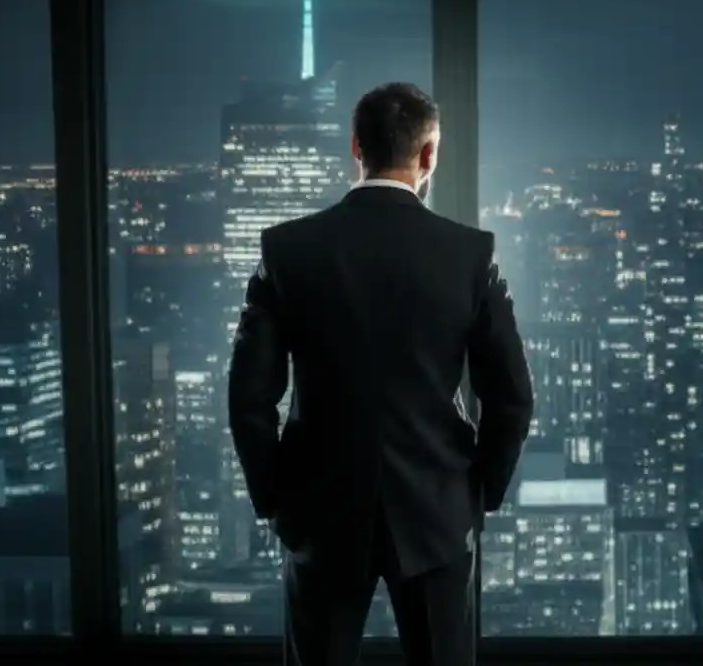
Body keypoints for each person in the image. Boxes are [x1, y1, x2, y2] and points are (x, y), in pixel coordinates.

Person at [227, 82, 533, 666]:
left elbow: (249, 398)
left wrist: (275, 499)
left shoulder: (288, 250)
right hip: (437, 508)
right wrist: (478, 494)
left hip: (319, 509)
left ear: (355, 147)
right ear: (428, 155)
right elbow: (512, 398)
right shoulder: (470, 254)